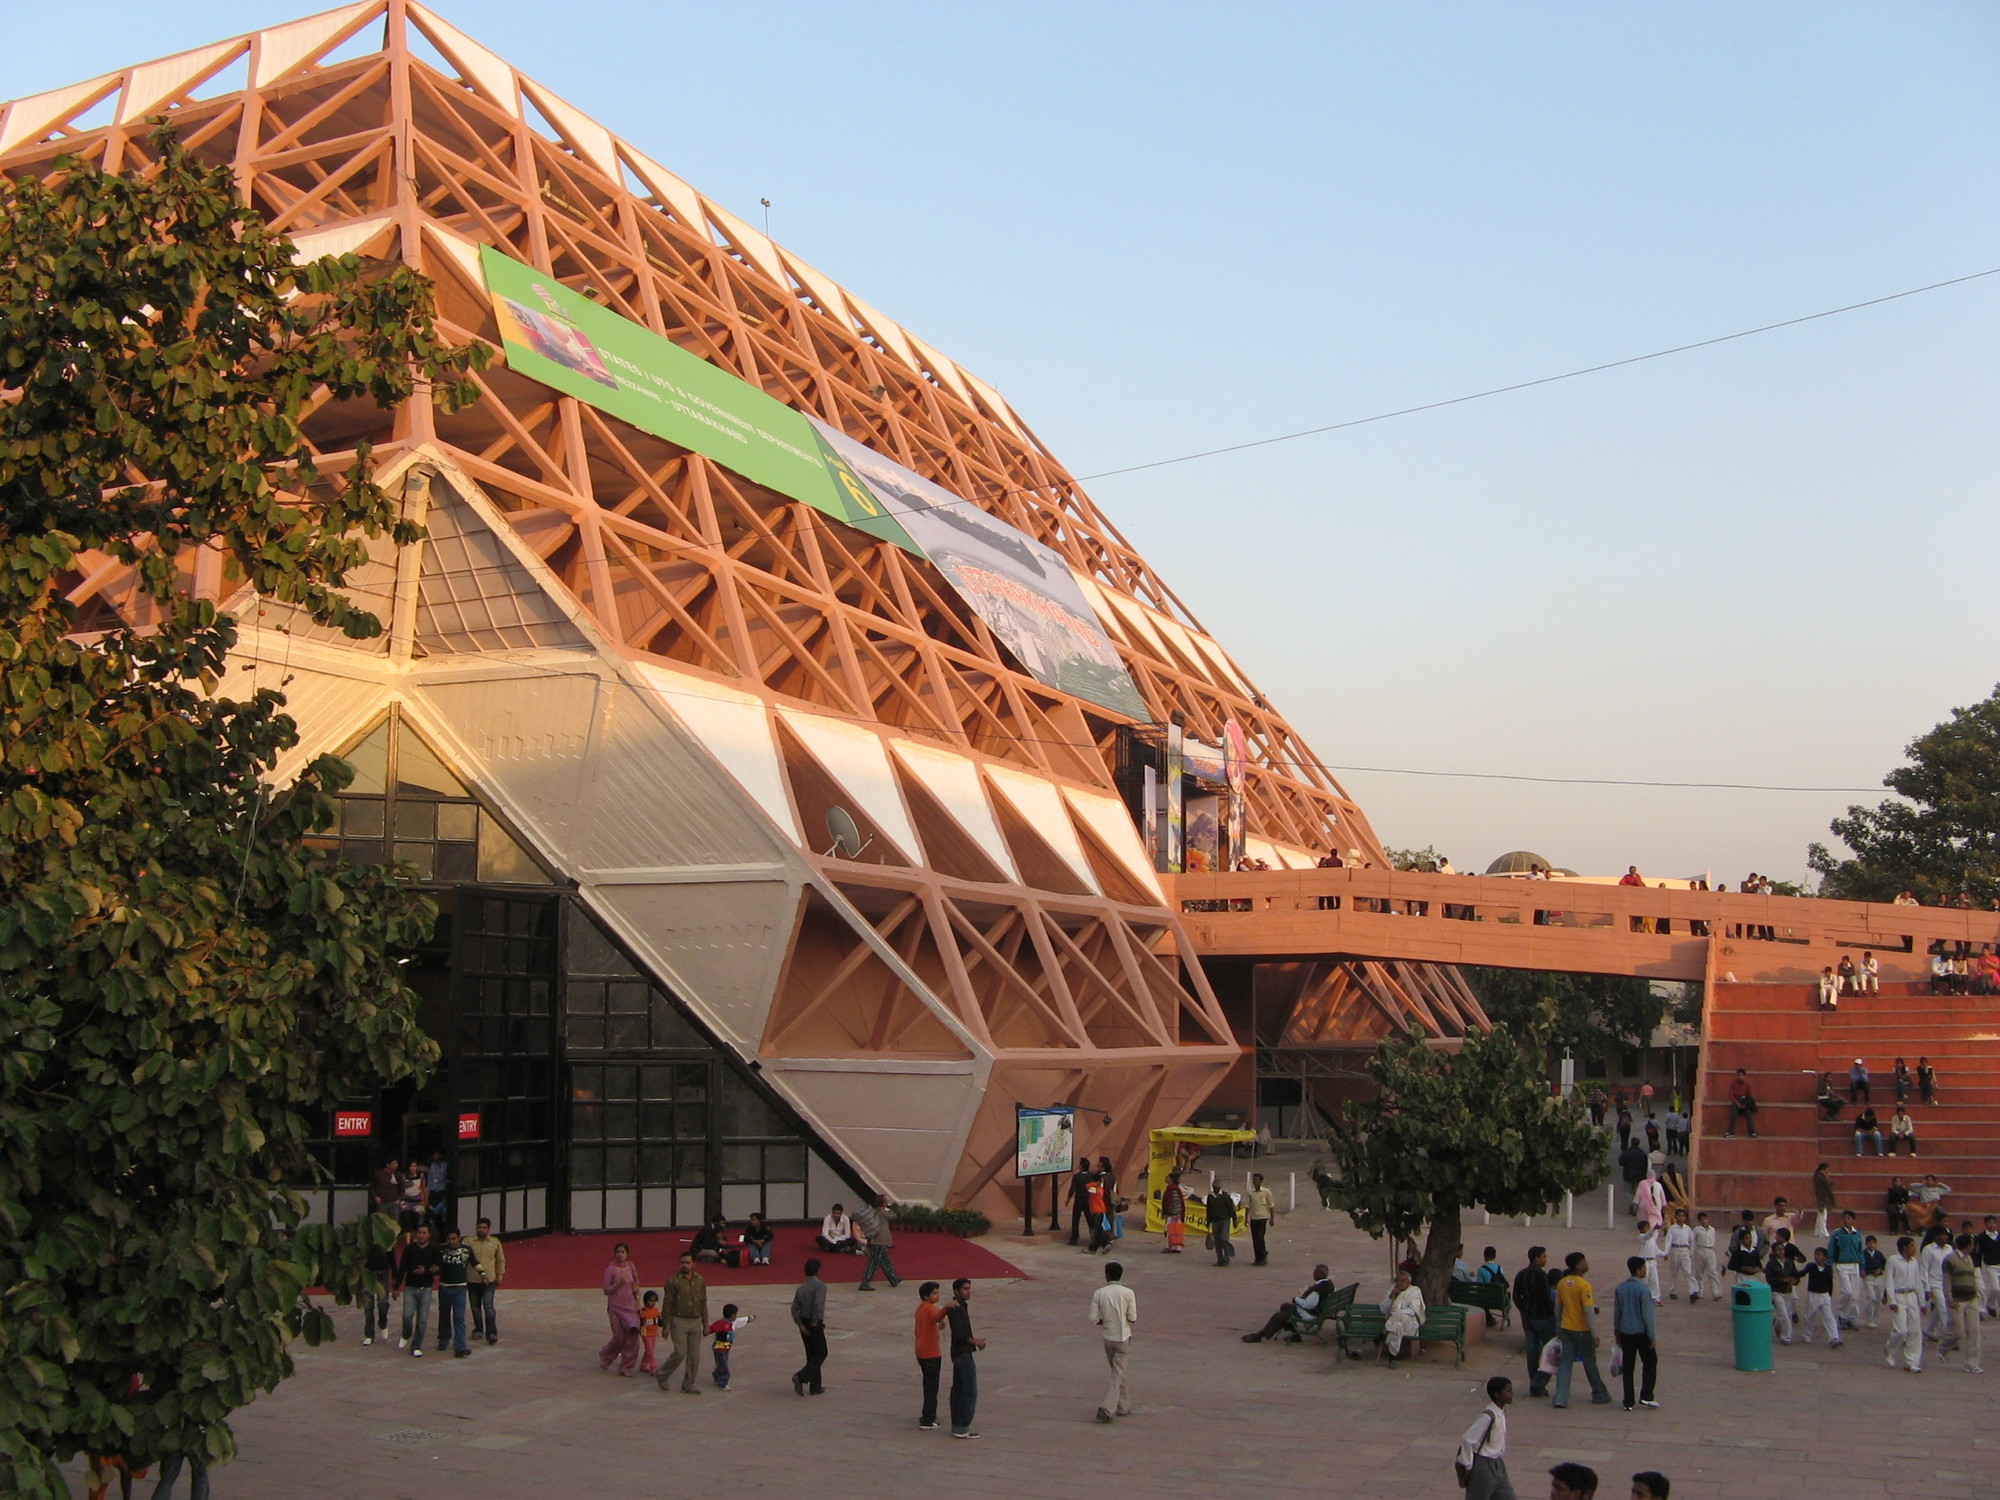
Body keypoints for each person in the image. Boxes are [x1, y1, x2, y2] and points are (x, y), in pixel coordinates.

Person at [1552, 1253, 1612, 1407]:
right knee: (1589, 1362)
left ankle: (1560, 1397)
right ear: (1578, 1265)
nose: (1586, 1263)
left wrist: (1558, 1326)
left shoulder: (1562, 1283)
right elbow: (1588, 1310)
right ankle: (1599, 1393)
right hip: (1582, 1329)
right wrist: (1594, 1333)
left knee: (1565, 1363)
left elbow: (1558, 1307)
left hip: (1566, 1327)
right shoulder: (1584, 1285)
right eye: (1584, 1261)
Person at [654, 1252, 708, 1394]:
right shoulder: (673, 1281)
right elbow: (667, 1303)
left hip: (695, 1321)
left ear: (694, 1264)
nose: (684, 1265)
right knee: (680, 1352)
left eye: (687, 1263)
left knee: (694, 1356)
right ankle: (662, 1374)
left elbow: (703, 1302)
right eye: (682, 1262)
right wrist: (665, 1325)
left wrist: (706, 1324)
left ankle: (688, 1384)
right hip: (678, 1320)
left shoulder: (700, 1280)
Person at [1091, 1260, 1138, 1423]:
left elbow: (1093, 1318)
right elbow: (1133, 1317)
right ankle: (1109, 1407)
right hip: (1123, 1337)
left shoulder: (1099, 1293)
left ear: (1107, 1275)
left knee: (1117, 1372)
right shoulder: (1128, 1293)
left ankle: (1122, 1406)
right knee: (1118, 1373)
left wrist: (1104, 1321)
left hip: (1108, 1337)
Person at [1455, 1376, 1516, 1500]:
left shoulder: (1500, 1412)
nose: (1512, 1394)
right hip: (1483, 1467)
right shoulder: (1488, 1416)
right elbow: (1467, 1439)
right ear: (1497, 1394)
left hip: (1497, 1464)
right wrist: (1468, 1465)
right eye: (1508, 1391)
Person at [1243, 1263, 1337, 1342]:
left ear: (1320, 1274)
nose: (1313, 1273)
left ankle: (1260, 1335)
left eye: (1315, 1272)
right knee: (1284, 1306)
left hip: (1311, 1313)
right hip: (1321, 1311)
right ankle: (1294, 1334)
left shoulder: (1318, 1289)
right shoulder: (1328, 1284)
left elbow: (1308, 1305)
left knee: (1278, 1316)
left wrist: (1296, 1299)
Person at [1612, 1256, 1658, 1411]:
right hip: (1641, 1332)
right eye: (1643, 1268)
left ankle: (1628, 1400)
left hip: (1625, 1332)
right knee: (1650, 1362)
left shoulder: (1620, 1288)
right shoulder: (1643, 1290)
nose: (1645, 1270)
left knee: (1628, 1366)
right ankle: (1646, 1395)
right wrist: (1652, 1337)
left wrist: (1617, 1333)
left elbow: (1617, 1313)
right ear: (1638, 1270)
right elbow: (1647, 1316)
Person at [1512, 1246, 1557, 1398]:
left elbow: (1516, 1296)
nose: (1545, 1259)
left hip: (1527, 1318)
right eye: (1543, 1257)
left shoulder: (1521, 1274)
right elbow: (1546, 1298)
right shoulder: (1541, 1275)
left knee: (1532, 1352)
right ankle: (1539, 1381)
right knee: (1552, 1350)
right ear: (1536, 1258)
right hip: (1542, 1317)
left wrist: (1524, 1310)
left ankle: (1534, 1384)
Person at [944, 1278, 985, 1438]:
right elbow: (960, 1334)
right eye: (965, 1289)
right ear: (956, 1291)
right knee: (968, 1390)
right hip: (962, 1353)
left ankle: (958, 1425)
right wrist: (975, 1341)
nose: (968, 1292)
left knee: (959, 1389)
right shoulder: (956, 1309)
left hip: (960, 1352)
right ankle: (963, 1425)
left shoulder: (960, 1306)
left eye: (969, 1288)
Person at [395, 1223, 440, 1357]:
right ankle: (406, 1333)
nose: (421, 1235)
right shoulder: (409, 1249)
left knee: (422, 1320)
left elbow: (438, 1268)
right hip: (410, 1288)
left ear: (429, 1235)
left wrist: (425, 1271)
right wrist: (396, 1287)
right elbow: (402, 1267)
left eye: (424, 1233)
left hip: (426, 1288)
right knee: (407, 1315)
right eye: (419, 1232)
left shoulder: (433, 1250)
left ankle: (416, 1345)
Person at [597, 1241, 640, 1375]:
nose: (620, 1255)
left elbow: (636, 1284)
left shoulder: (631, 1266)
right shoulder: (610, 1270)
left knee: (632, 1335)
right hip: (616, 1307)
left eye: (622, 1252)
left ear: (627, 1254)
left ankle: (626, 1366)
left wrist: (638, 1302)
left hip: (630, 1306)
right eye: (618, 1252)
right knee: (619, 1337)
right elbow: (606, 1290)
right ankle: (606, 1355)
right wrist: (618, 1283)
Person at [1884, 1235, 1925, 1371]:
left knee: (1915, 1330)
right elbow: (1889, 1281)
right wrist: (1892, 1300)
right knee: (1901, 1330)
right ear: (1904, 1248)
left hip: (1911, 1296)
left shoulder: (1914, 1262)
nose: (1914, 1248)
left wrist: (1922, 1302)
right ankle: (1889, 1349)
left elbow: (1918, 1282)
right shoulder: (1893, 1261)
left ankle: (1912, 1361)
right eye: (1912, 1246)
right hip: (1899, 1296)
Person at [791, 1259, 830, 1396]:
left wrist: (800, 1325)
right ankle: (801, 1376)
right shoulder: (820, 1286)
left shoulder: (801, 1287)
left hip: (803, 1321)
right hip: (814, 1322)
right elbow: (818, 1304)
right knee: (821, 1352)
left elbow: (794, 1308)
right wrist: (815, 1322)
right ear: (818, 1271)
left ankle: (816, 1386)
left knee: (812, 1354)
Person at [1945, 1235, 1983, 1374]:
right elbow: (1946, 1281)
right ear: (1967, 1245)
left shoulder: (1969, 1259)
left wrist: (1976, 1293)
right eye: (1972, 1244)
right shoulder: (1950, 1259)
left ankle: (1972, 1363)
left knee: (1974, 1331)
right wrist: (1950, 1299)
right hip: (1957, 1300)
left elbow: (1972, 1277)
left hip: (1971, 1299)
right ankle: (1943, 1348)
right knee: (1958, 1331)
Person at [913, 1281, 948, 1428]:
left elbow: (929, 1324)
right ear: (926, 1296)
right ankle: (928, 1418)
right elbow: (937, 1317)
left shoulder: (921, 1308)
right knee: (932, 1387)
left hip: (921, 1350)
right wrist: (947, 1308)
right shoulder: (930, 1308)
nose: (937, 1295)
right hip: (931, 1352)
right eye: (934, 1293)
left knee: (928, 1385)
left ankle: (928, 1415)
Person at [435, 1226, 474, 1358]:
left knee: (459, 1318)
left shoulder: (466, 1250)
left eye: (453, 1239)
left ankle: (460, 1346)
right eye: (449, 1239)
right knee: (444, 1316)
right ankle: (443, 1338)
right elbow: (435, 1264)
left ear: (459, 1238)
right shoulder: (440, 1250)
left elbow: (475, 1262)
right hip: (445, 1287)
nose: (451, 1242)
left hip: (460, 1288)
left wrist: (483, 1274)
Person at [467, 1216, 504, 1345]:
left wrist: (499, 1276)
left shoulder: (495, 1242)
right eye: (479, 1227)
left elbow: (500, 1260)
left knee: (488, 1307)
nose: (481, 1230)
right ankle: (478, 1330)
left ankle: (491, 1333)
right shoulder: (468, 1242)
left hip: (489, 1280)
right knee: (475, 1307)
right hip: (472, 1279)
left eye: (484, 1228)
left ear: (488, 1229)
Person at [854, 1193, 902, 1291]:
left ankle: (893, 1278)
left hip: (877, 1240)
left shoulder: (874, 1211)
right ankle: (865, 1283)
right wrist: (888, 1209)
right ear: (883, 1203)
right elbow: (894, 1216)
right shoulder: (883, 1212)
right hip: (880, 1240)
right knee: (874, 1262)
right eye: (886, 1200)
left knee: (885, 1261)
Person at [1765, 1228, 1805, 1344]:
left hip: (1788, 1291)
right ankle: (1786, 1337)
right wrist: (1783, 1280)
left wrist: (1794, 1281)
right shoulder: (1771, 1264)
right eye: (1778, 1250)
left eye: (1782, 1249)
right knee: (1784, 1315)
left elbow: (1796, 1275)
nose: (1780, 1252)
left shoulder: (1789, 1262)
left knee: (1786, 1314)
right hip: (1777, 1291)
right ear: (1774, 1252)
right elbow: (1770, 1280)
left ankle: (1778, 1323)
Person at [1828, 1210, 1866, 1328]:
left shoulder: (1857, 1234)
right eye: (1844, 1217)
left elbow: (1859, 1251)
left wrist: (1862, 1266)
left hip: (1855, 1265)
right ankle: (1842, 1315)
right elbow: (1831, 1249)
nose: (1846, 1220)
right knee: (1847, 1291)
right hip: (1842, 1264)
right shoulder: (1837, 1233)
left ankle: (1852, 1319)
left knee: (1855, 1295)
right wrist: (1830, 1264)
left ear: (1853, 1220)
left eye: (1849, 1218)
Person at [1378, 1270, 1425, 1364]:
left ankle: (1382, 1334)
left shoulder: (1414, 1291)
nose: (1399, 1283)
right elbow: (1383, 1309)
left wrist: (1396, 1314)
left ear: (1409, 1282)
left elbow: (1413, 1310)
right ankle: (1393, 1357)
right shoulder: (1393, 1290)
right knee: (1397, 1326)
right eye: (1397, 1281)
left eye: (1402, 1281)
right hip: (1395, 1325)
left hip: (1410, 1325)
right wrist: (1391, 1298)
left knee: (1399, 1314)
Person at [1800, 1247, 1840, 1346]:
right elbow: (1801, 1273)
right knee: (1809, 1316)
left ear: (1825, 1257)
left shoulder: (1828, 1269)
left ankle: (1834, 1337)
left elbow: (1830, 1284)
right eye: (1816, 1254)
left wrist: (1829, 1295)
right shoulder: (1811, 1266)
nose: (1816, 1257)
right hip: (1813, 1294)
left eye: (1819, 1255)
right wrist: (1793, 1276)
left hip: (1824, 1295)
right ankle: (1807, 1334)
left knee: (1828, 1316)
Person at [360, 1231, 393, 1346]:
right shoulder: (365, 1238)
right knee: (368, 1307)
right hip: (368, 1275)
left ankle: (383, 1322)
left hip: (382, 1275)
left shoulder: (385, 1238)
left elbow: (392, 1258)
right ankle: (369, 1334)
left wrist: (395, 1278)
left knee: (382, 1303)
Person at [708, 1302, 752, 1390]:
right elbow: (710, 1329)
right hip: (719, 1348)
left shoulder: (732, 1322)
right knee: (723, 1365)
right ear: (732, 1315)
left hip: (726, 1348)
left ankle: (717, 1375)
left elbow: (741, 1321)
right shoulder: (721, 1323)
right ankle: (723, 1382)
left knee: (722, 1363)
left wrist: (750, 1318)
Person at [1245, 1172, 1277, 1266]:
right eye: (1254, 1180)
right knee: (1255, 1239)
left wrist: (1272, 1218)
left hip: (1263, 1217)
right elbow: (1247, 1206)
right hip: (1253, 1217)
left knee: (1260, 1236)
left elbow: (1271, 1205)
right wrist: (1246, 1218)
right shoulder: (1250, 1192)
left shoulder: (1266, 1192)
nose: (1255, 1182)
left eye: (1256, 1180)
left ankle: (1263, 1255)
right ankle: (1258, 1258)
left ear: (1261, 1181)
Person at [1663, 1210, 1695, 1302]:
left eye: (1683, 1216)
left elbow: (1691, 1241)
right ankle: (1672, 1291)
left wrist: (1691, 1252)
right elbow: (1668, 1241)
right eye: (1679, 1216)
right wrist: (1666, 1252)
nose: (1681, 1218)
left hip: (1685, 1250)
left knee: (1687, 1272)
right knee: (1674, 1272)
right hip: (1675, 1250)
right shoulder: (1672, 1228)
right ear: (1676, 1217)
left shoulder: (1687, 1229)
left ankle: (1692, 1292)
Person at [1691, 1212, 1722, 1302]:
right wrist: (1691, 1253)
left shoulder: (1712, 1229)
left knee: (1713, 1272)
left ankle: (1716, 1292)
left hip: (1710, 1250)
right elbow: (1692, 1241)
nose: (1704, 1221)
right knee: (1699, 1273)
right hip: (1700, 1249)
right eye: (1701, 1220)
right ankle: (1699, 1291)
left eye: (1705, 1219)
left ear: (1707, 1219)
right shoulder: (1696, 1230)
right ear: (1699, 1221)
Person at [1973, 1216, 2000, 1318]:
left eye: (1993, 1222)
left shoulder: (1999, 1236)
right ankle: (1990, 1304)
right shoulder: (1981, 1237)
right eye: (1989, 1222)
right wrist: (1977, 1266)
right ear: (1985, 1224)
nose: (1992, 1225)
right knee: (1996, 1288)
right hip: (1990, 1265)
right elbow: (1979, 1252)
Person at [1205, 1182, 1236, 1266]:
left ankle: (1226, 1258)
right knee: (1217, 1241)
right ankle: (1220, 1259)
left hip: (1224, 1220)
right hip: (1215, 1221)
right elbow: (1208, 1209)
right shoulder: (1210, 1196)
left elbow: (1231, 1208)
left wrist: (1234, 1219)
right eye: (1214, 1187)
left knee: (1224, 1239)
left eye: (1216, 1187)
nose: (1215, 1188)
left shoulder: (1225, 1196)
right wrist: (1208, 1221)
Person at [1862, 1234, 1888, 1329]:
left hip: (1878, 1278)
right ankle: (1869, 1320)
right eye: (1869, 1243)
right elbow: (1861, 1265)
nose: (1871, 1245)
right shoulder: (1863, 1254)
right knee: (1871, 1297)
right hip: (1868, 1277)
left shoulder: (1879, 1254)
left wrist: (1880, 1269)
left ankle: (1875, 1318)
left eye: (1873, 1243)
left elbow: (1885, 1264)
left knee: (1878, 1298)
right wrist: (1864, 1271)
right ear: (1866, 1244)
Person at [1635, 1221, 1664, 1305]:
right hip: (1644, 1261)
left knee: (1654, 1280)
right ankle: (1640, 1297)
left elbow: (1656, 1250)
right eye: (1646, 1227)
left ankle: (1655, 1297)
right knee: (1644, 1280)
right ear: (1642, 1229)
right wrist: (1654, 1229)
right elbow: (1648, 1235)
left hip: (1652, 1261)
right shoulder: (1642, 1237)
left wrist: (1664, 1254)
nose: (1648, 1228)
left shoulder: (1652, 1239)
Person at [1066, 1162, 1094, 1245]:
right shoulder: (1091, 1176)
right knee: (1090, 1219)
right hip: (1088, 1199)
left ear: (1081, 1166)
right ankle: (1094, 1236)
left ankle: (1074, 1238)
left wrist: (1068, 1200)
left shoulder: (1077, 1176)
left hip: (1079, 1199)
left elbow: (1072, 1189)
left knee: (1076, 1219)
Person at [1160, 1170, 1187, 1253]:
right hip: (1177, 1213)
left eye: (1168, 1177)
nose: (1166, 1178)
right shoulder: (1175, 1188)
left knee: (1170, 1230)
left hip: (1173, 1213)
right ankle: (1177, 1247)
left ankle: (1170, 1246)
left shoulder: (1172, 1189)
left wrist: (1168, 1213)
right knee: (1177, 1231)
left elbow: (1172, 1202)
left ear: (1171, 1179)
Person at [1725, 1068, 1758, 1137]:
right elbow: (1731, 1095)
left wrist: (1745, 1104)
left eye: (1741, 1075)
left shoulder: (1747, 1083)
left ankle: (1752, 1132)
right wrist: (1737, 1103)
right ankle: (1730, 1132)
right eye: (1738, 1075)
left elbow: (1750, 1095)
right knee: (1733, 1113)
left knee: (1749, 1113)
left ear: (1744, 1076)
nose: (1740, 1077)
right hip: (1736, 1100)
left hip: (1744, 1100)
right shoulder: (1733, 1083)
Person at [637, 1290, 662, 1375]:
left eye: (654, 1301)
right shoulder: (643, 1312)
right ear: (646, 1301)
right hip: (646, 1334)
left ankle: (643, 1365)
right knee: (650, 1351)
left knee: (649, 1350)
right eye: (651, 1301)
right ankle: (653, 1367)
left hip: (654, 1334)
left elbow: (660, 1322)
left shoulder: (656, 1311)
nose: (653, 1303)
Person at [425, 1149, 449, 1228]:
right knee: (431, 1210)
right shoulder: (432, 1166)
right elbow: (430, 1179)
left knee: (439, 1212)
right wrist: (427, 1192)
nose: (434, 1156)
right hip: (433, 1191)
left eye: (436, 1154)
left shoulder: (445, 1166)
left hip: (441, 1191)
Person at [1812, 1163, 1837, 1238]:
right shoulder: (1820, 1177)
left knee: (1820, 1216)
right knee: (1823, 1216)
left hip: (1822, 1198)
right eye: (1827, 1169)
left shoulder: (1818, 1176)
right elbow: (1823, 1189)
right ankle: (1823, 1232)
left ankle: (1818, 1232)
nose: (1828, 1171)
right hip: (1823, 1198)